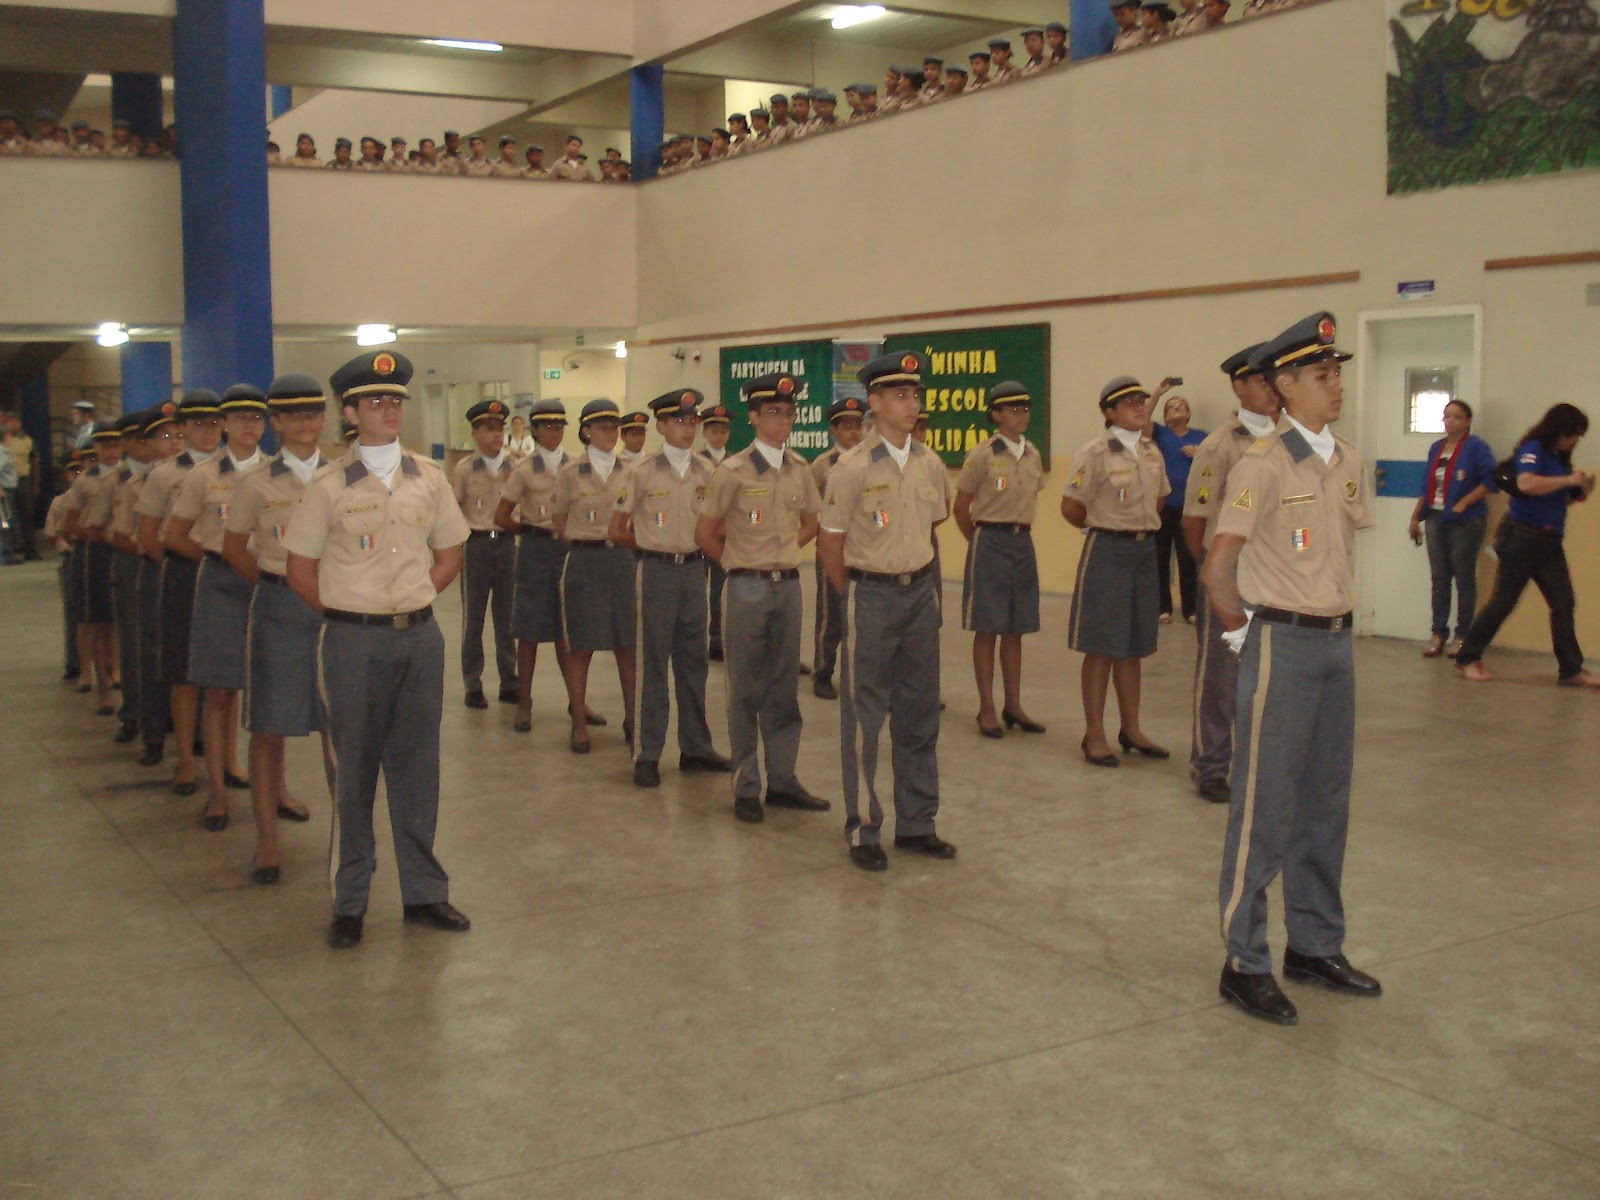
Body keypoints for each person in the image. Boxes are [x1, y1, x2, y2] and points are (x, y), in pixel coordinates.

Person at [1202, 313, 1382, 1026]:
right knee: (1264, 809)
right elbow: (1219, 563)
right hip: (1282, 641)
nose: (1336, 384)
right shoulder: (1264, 462)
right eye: (1321, 375)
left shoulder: (1345, 459)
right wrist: (1242, 634)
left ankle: (1312, 944)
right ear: (1284, 386)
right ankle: (1244, 960)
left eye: (1337, 372)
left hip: (1336, 646)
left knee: (1324, 804)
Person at [283, 349, 472, 950]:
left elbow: (450, 553)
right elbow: (298, 569)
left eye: (395, 400)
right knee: (353, 772)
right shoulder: (329, 486)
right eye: (375, 401)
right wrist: (348, 611)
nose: (389, 409)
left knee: (418, 769)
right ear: (351, 412)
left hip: (418, 638)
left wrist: (413, 599)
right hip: (352, 644)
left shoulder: (429, 477)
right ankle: (350, 901)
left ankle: (424, 891)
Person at [818, 352, 954, 872]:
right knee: (866, 716)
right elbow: (831, 545)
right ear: (874, 403)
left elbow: (933, 522)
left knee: (920, 715)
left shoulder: (930, 462)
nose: (911, 404)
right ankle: (864, 827)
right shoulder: (849, 468)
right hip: (870, 595)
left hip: (920, 593)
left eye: (915, 395)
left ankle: (918, 823)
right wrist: (857, 592)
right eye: (900, 395)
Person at [694, 372, 829, 825]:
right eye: (772, 413)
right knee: (745, 689)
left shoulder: (799, 467)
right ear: (752, 418)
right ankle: (746, 784)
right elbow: (705, 533)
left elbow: (813, 518)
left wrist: (789, 549)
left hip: (788, 586)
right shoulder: (732, 471)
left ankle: (784, 780)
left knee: (784, 688)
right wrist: (737, 562)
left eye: (789, 413)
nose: (783, 421)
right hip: (747, 587)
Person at [221, 374, 330, 884]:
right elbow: (233, 548)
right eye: (294, 414)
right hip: (279, 610)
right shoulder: (256, 483)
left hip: (337, 612)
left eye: (314, 412)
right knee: (268, 725)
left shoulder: (347, 478)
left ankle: (347, 841)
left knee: (342, 729)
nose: (306, 422)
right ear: (276, 423)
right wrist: (276, 582)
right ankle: (267, 842)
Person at [608, 389, 731, 787]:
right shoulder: (642, 472)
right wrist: (648, 548)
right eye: (679, 421)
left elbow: (718, 524)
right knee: (653, 663)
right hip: (657, 573)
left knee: (694, 662)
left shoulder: (706, 472)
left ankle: (696, 747)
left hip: (695, 572)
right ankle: (647, 752)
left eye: (693, 421)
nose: (688, 428)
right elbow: (616, 529)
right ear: (660, 426)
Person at [1181, 343, 1279, 803]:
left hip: (1278, 570)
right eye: (1260, 380)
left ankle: (1261, 764)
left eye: (1273, 380)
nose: (1271, 389)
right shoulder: (1219, 446)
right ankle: (1212, 765)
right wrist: (1212, 572)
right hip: (1231, 568)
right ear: (1239, 387)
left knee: (1271, 672)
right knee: (1221, 672)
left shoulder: (1290, 439)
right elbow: (1195, 521)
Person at [167, 384, 267, 830]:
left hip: (267, 580)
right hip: (221, 585)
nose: (250, 426)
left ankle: (250, 773)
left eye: (258, 418)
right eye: (241, 418)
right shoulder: (202, 475)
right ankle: (217, 794)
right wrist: (220, 557)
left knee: (259, 688)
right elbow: (173, 535)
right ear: (224, 424)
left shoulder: (278, 472)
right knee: (218, 689)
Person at [1060, 378, 1170, 767]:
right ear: (1109, 412)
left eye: (1142, 401)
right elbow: (1071, 507)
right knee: (1102, 645)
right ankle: (1094, 734)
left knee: (1134, 645)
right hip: (1106, 550)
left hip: (1143, 551)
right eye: (1129, 403)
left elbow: (1159, 498)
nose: (1140, 407)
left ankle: (1132, 728)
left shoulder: (1151, 451)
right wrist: (1106, 526)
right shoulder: (1094, 453)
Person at [1454, 404, 1598, 687]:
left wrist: (1580, 492)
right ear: (1561, 431)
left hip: (1549, 540)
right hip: (1521, 537)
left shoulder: (1559, 458)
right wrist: (1568, 479)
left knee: (1563, 603)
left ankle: (1571, 669)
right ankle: (1468, 657)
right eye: (1574, 435)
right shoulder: (1533, 449)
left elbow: (1557, 498)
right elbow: (1527, 484)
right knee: (1503, 601)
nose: (1575, 441)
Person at [136, 390, 223, 796]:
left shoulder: (235, 470)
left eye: (214, 423)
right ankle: (187, 760)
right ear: (184, 429)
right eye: (199, 424)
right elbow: (149, 534)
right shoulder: (165, 474)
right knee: (183, 673)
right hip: (185, 573)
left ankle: (228, 761)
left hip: (228, 576)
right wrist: (185, 561)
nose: (208, 431)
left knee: (225, 675)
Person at [496, 400, 600, 734]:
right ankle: (524, 702)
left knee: (569, 630)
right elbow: (501, 515)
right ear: (535, 431)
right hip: (536, 550)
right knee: (528, 630)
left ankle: (577, 702)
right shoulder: (524, 468)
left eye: (559, 426)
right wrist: (528, 531)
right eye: (547, 427)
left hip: (568, 550)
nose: (554, 432)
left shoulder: (577, 464)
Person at [954, 381, 1047, 739]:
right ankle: (987, 708)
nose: (1021, 415)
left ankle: (1014, 705)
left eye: (1025, 409)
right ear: (995, 414)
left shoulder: (1033, 453)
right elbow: (961, 507)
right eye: (1012, 410)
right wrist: (978, 541)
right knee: (987, 627)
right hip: (989, 541)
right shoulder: (982, 455)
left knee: (1015, 628)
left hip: (1022, 542)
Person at [550, 399, 636, 753]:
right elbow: (558, 519)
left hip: (623, 562)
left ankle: (634, 718)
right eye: (602, 427)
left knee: (627, 645)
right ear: (585, 431)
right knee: (580, 646)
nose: (610, 433)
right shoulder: (570, 472)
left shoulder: (633, 469)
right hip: (585, 562)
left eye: (614, 427)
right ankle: (579, 724)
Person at [1406, 400, 1497, 658]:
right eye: (1447, 417)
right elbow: (1428, 487)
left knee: (1464, 577)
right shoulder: (1436, 448)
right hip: (1436, 519)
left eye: (1457, 417)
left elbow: (1492, 480)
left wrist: (1465, 502)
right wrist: (1415, 518)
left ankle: (1462, 635)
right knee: (1440, 578)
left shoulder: (1476, 448)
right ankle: (1438, 632)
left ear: (1467, 421)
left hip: (1466, 521)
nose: (1450, 422)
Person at [453, 400, 519, 709]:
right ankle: (473, 683)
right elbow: (454, 513)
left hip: (507, 546)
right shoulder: (465, 469)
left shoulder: (516, 466)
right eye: (488, 429)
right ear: (475, 434)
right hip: (477, 545)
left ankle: (509, 680)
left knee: (507, 618)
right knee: (473, 619)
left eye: (499, 428)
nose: (496, 435)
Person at [130, 403, 183, 765]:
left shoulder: (204, 473)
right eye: (165, 436)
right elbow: (144, 538)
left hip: (194, 570)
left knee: (191, 661)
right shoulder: (143, 481)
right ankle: (152, 733)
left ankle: (192, 737)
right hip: (158, 569)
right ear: (147, 444)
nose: (174, 442)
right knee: (155, 656)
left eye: (179, 434)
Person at [62, 424, 125, 716]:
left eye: (115, 444)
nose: (111, 450)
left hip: (127, 550)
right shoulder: (86, 481)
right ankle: (101, 687)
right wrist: (99, 535)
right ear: (95, 448)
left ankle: (117, 673)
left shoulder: (133, 474)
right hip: (95, 554)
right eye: (104, 445)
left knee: (118, 622)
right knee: (97, 621)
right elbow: (70, 523)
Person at [809, 397, 867, 699]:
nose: (854, 432)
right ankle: (822, 672)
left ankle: (858, 674)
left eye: (858, 425)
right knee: (831, 614)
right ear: (834, 430)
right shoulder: (823, 465)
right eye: (846, 426)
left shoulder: (870, 460)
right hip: (833, 546)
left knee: (861, 615)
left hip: (864, 547)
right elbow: (809, 504)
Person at [106, 411, 156, 745]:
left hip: (168, 564)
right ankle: (134, 713)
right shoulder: (115, 479)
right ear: (126, 443)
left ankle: (164, 715)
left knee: (166, 646)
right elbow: (104, 528)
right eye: (138, 440)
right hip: (132, 563)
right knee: (136, 644)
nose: (146, 447)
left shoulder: (172, 473)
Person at [1152, 389, 1206, 624]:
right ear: (1164, 415)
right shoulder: (1160, 434)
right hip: (1164, 506)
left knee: (1188, 559)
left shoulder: (1201, 437)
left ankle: (1191, 609)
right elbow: (1143, 418)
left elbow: (1214, 463)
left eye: (1180, 405)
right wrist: (1158, 393)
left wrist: (1199, 454)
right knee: (1160, 558)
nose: (1176, 408)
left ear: (1189, 413)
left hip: (1190, 508)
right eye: (1171, 406)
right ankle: (1163, 607)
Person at [46, 454, 88, 680]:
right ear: (67, 476)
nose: (79, 477)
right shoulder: (60, 502)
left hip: (97, 554)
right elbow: (52, 532)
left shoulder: (96, 496)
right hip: (71, 557)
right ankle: (75, 663)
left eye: (82, 471)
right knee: (74, 613)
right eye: (75, 473)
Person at [697, 404, 734, 660]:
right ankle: (698, 638)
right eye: (714, 430)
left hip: (727, 535)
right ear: (705, 432)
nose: (719, 435)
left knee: (722, 589)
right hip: (700, 535)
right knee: (697, 590)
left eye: (723, 430)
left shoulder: (735, 461)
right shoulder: (697, 462)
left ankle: (719, 639)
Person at [2, 410, 40, 560]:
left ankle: (30, 550)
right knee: (8, 517)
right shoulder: (2, 441)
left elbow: (35, 463)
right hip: (5, 483)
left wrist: (36, 484)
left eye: (16, 421)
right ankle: (9, 552)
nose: (14, 424)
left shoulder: (27, 440)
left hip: (24, 481)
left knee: (27, 516)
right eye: (10, 421)